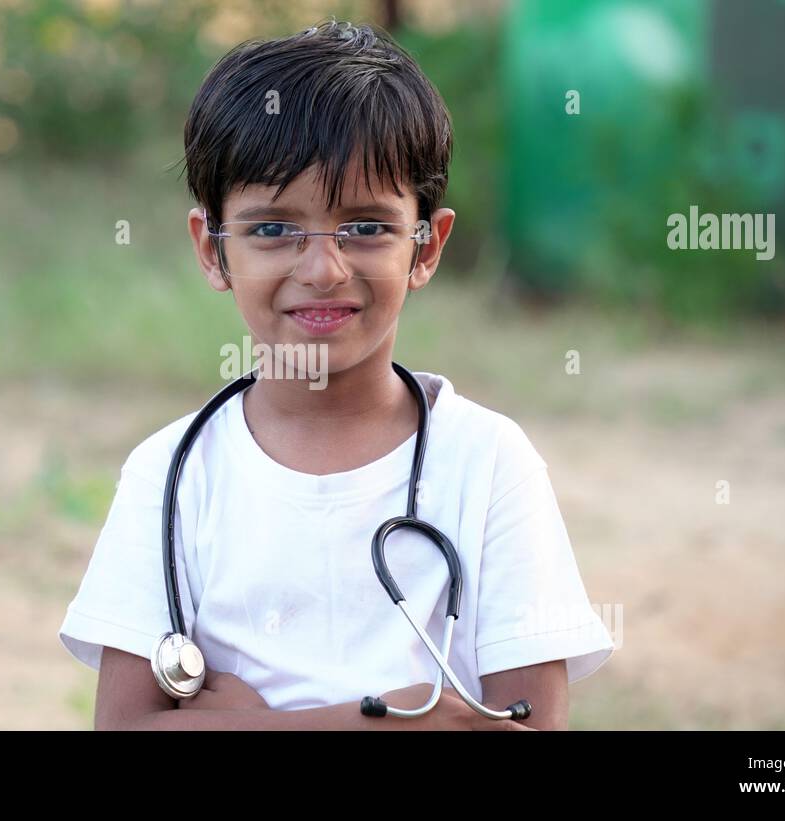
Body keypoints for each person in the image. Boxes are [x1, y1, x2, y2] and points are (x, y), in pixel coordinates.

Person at [59, 19, 614, 730]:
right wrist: (376, 720)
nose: (322, 270)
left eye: (365, 227)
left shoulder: (490, 465)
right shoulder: (171, 474)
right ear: (211, 249)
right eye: (271, 229)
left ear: (426, 245)